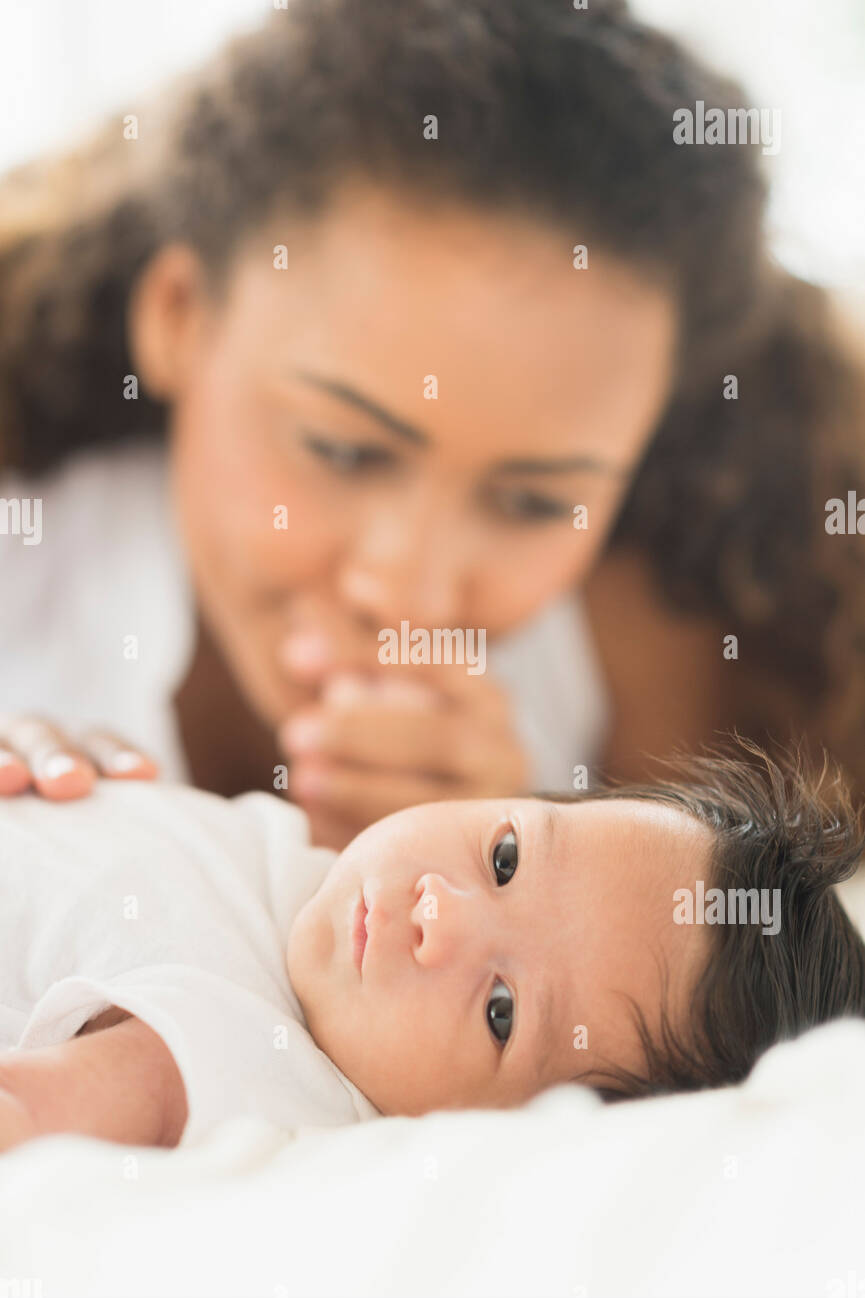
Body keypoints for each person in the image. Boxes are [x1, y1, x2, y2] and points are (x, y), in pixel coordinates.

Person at [2, 0, 864, 848]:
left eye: (532, 503)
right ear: (179, 316)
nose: (406, 593)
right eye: (342, 450)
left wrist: (526, 861)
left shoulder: (678, 680)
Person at [1, 742, 863, 1153]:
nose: (437, 916)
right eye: (505, 858)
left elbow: (28, 1113)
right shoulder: (291, 867)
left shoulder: (236, 1062)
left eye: (501, 1013)